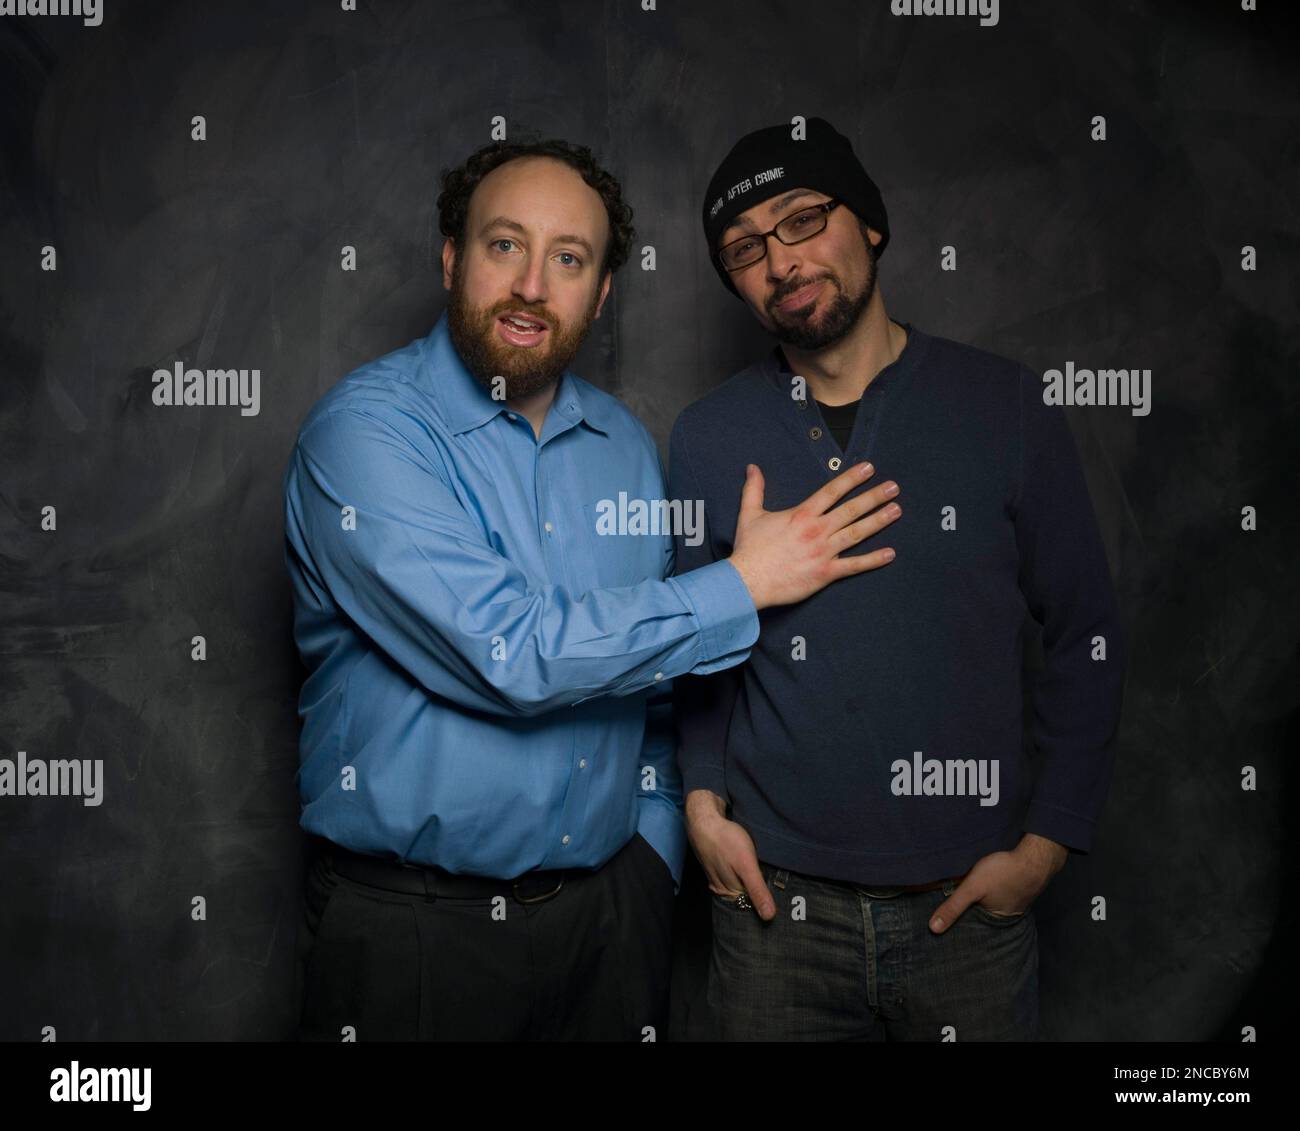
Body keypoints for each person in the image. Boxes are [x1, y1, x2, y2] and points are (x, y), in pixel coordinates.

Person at [281, 135, 902, 1041]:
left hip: (609, 926)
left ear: (601, 292)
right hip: (416, 936)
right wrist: (744, 583)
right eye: (505, 246)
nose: (533, 284)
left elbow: (650, 687)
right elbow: (512, 652)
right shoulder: (364, 437)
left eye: (568, 258)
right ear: (452, 258)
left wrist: (651, 858)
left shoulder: (624, 447)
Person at [671, 116, 1127, 1041]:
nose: (781, 262)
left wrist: (1044, 847)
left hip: (967, 912)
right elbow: (697, 646)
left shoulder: (1005, 408)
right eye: (745, 248)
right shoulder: (708, 435)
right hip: (773, 915)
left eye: (804, 219)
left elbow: (1087, 631)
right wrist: (700, 803)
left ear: (869, 223)